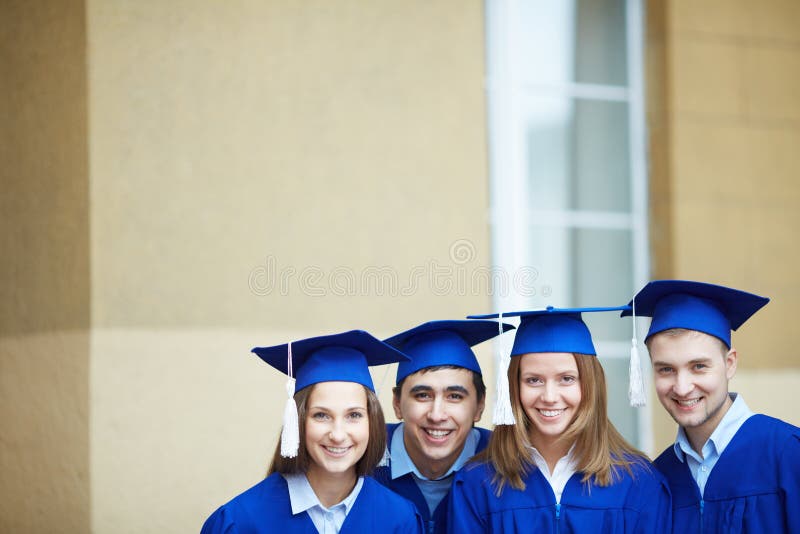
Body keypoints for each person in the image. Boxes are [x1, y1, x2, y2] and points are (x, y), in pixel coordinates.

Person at [447, 307, 671, 533]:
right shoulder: (478, 483)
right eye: (533, 380)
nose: (550, 397)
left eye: (566, 379)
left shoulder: (638, 483)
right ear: (513, 387)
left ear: (590, 384)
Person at [201, 330, 424, 533]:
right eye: (321, 415)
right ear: (298, 421)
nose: (338, 434)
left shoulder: (399, 520)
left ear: (371, 422)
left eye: (353, 415)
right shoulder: (241, 521)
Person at [625, 280, 800, 533]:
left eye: (698, 366)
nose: (682, 387)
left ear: (730, 364)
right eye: (666, 369)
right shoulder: (658, 478)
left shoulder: (787, 454)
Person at [373, 320, 513, 533]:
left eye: (454, 396)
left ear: (480, 405)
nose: (437, 415)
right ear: (397, 403)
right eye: (422, 395)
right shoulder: (365, 458)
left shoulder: (506, 461)